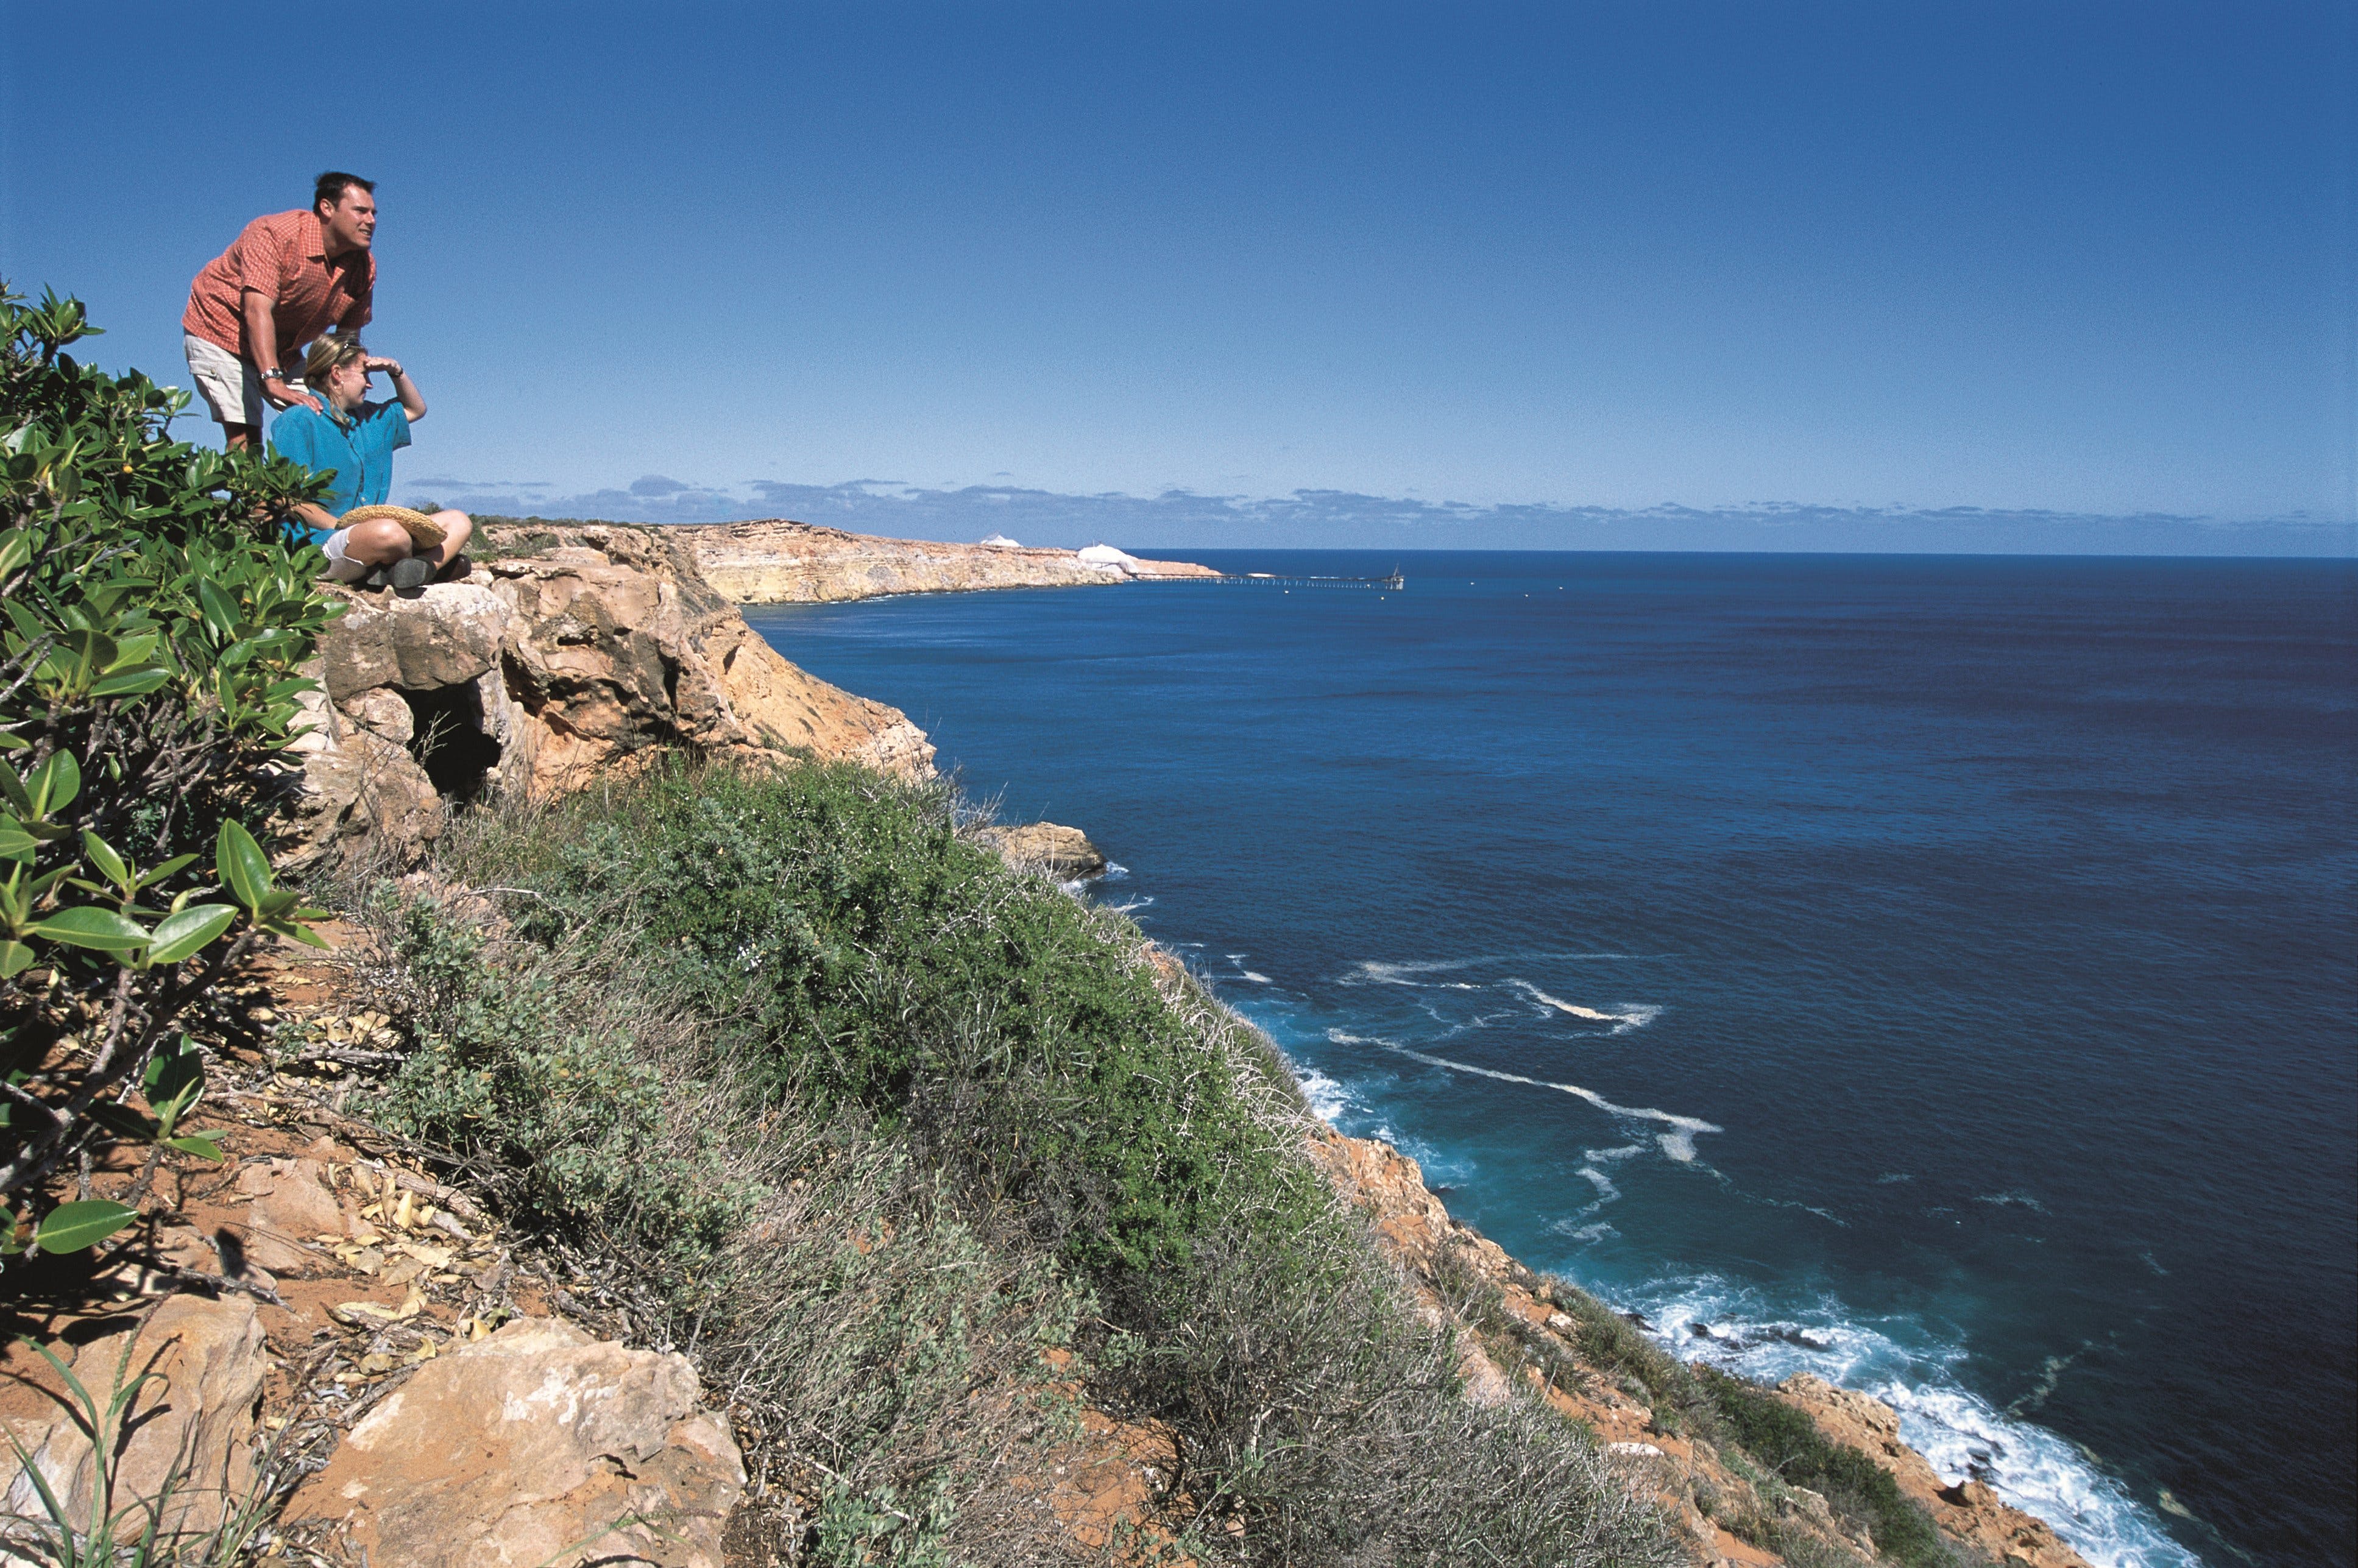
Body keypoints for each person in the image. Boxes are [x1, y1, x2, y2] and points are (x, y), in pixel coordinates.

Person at [182, 172, 379, 450]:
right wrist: (272, 381)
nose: (371, 221)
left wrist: (351, 381)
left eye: (373, 213)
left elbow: (346, 341)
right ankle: (247, 490)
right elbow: (256, 311)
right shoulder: (274, 234)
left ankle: (299, 493)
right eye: (360, 211)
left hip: (282, 349)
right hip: (221, 331)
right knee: (246, 436)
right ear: (327, 208)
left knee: (327, 420)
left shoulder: (363, 267)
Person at [268, 334, 472, 596]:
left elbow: (416, 409)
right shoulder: (298, 420)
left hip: (372, 538)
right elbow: (286, 497)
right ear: (337, 374)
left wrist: (395, 371)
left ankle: (413, 569)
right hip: (320, 541)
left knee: (459, 521)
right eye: (364, 374)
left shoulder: (368, 419)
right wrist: (342, 527)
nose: (370, 383)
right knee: (390, 534)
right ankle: (430, 567)